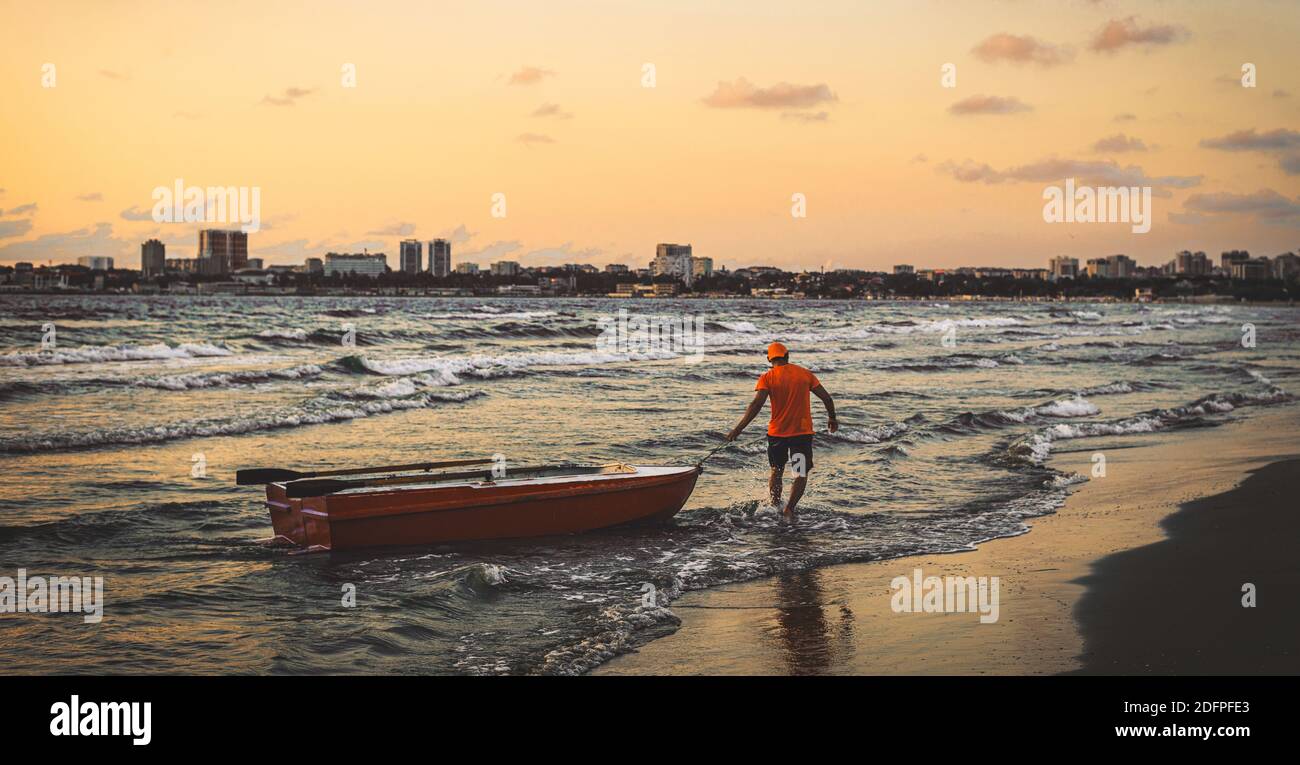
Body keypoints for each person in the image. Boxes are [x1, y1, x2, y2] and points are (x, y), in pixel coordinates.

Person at [725, 342, 837, 518]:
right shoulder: (805, 374)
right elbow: (827, 399)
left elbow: (756, 405)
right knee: (800, 472)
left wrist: (738, 429)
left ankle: (774, 506)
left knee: (776, 471)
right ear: (787, 356)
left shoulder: (767, 377)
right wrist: (832, 417)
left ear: (769, 359)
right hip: (801, 434)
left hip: (777, 435)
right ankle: (789, 508)